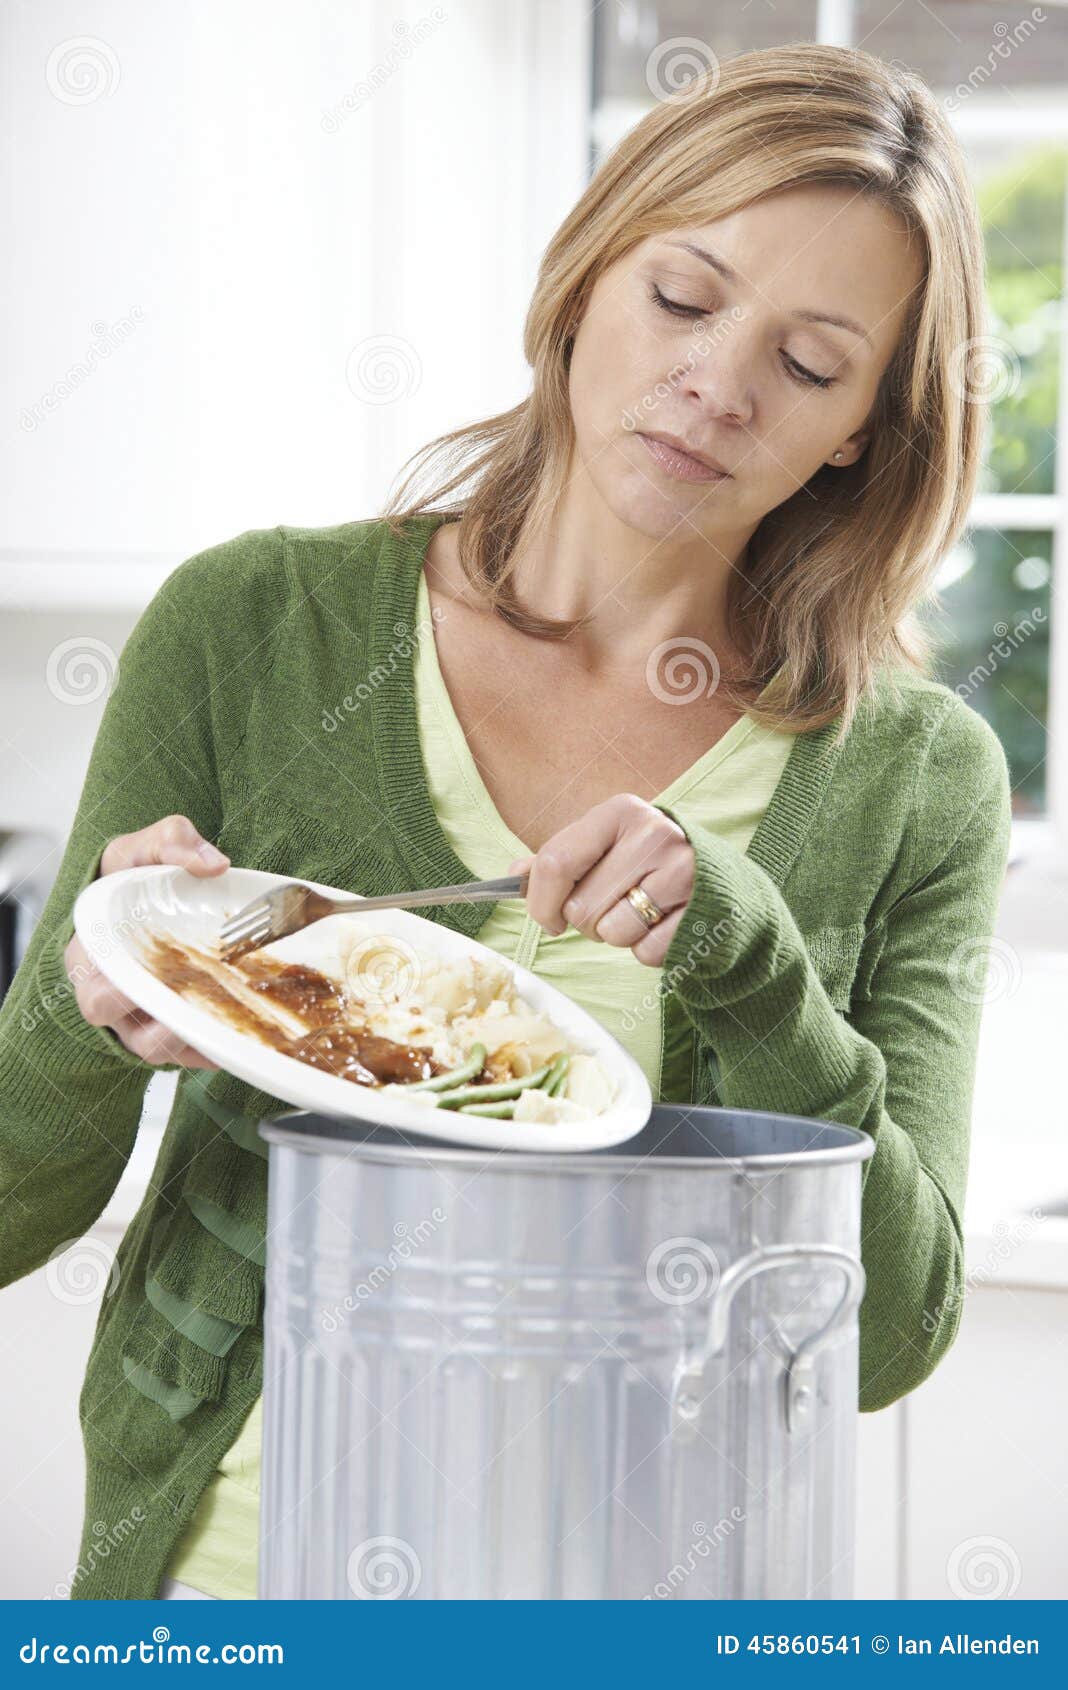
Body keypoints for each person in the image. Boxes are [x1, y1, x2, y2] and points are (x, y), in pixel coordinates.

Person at [0, 44, 1011, 1600]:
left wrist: (751, 965)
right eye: (683, 298)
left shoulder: (916, 774)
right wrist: (88, 1017)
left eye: (810, 366)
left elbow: (886, 1338)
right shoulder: (252, 628)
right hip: (231, 1585)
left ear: (863, 430)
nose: (717, 383)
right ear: (591, 272)